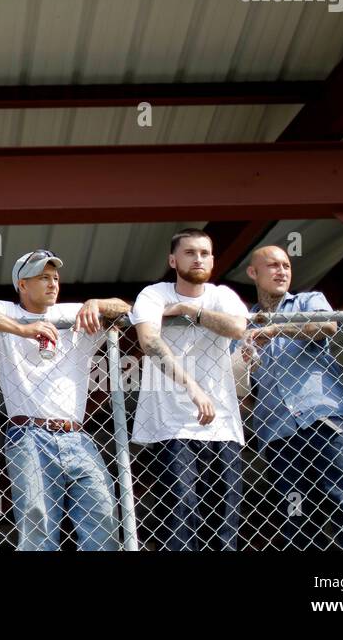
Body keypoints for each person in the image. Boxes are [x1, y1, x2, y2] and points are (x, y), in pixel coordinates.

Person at [0, 249, 128, 550]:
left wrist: (97, 303)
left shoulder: (73, 314)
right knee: (38, 528)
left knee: (103, 518)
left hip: (77, 435)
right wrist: (23, 330)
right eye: (43, 278)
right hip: (29, 434)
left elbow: (125, 308)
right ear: (22, 284)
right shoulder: (6, 315)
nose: (52, 284)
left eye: (55, 278)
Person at [241, 245, 343, 550]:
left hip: (325, 422)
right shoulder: (243, 322)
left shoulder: (307, 300)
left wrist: (278, 329)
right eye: (273, 265)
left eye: (286, 266)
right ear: (253, 272)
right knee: (297, 519)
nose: (282, 271)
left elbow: (326, 326)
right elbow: (236, 377)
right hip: (278, 435)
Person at [130, 228, 249, 550]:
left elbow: (239, 327)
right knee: (180, 513)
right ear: (173, 259)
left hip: (222, 425)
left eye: (205, 253)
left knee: (224, 522)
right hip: (172, 425)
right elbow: (149, 340)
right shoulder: (154, 294)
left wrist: (187, 311)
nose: (198, 259)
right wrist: (191, 385)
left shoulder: (221, 295)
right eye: (189, 252)